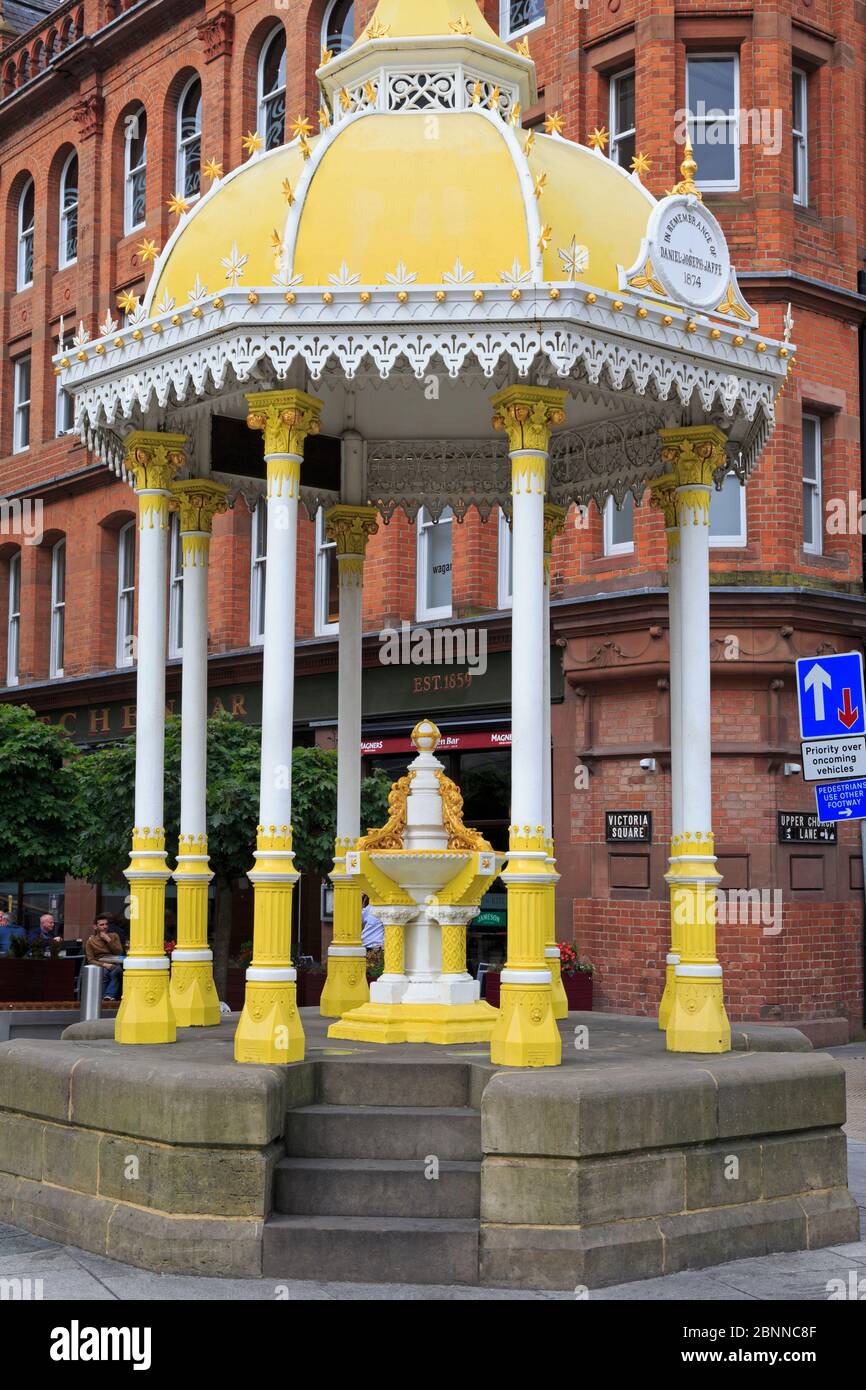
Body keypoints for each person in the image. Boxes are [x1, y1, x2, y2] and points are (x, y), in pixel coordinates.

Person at [84, 915, 125, 1002]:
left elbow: (119, 952)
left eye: (106, 924)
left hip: (115, 961)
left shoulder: (114, 936)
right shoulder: (91, 941)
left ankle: (106, 997)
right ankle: (108, 997)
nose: (105, 926)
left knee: (116, 970)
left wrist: (108, 940)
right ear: (95, 927)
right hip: (101, 964)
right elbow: (90, 959)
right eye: (101, 925)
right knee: (107, 973)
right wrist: (104, 965)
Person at [361, 894, 385, 971]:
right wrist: (360, 900)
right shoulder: (370, 908)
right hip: (364, 945)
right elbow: (358, 919)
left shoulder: (386, 908)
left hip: (376, 948)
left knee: (372, 971)